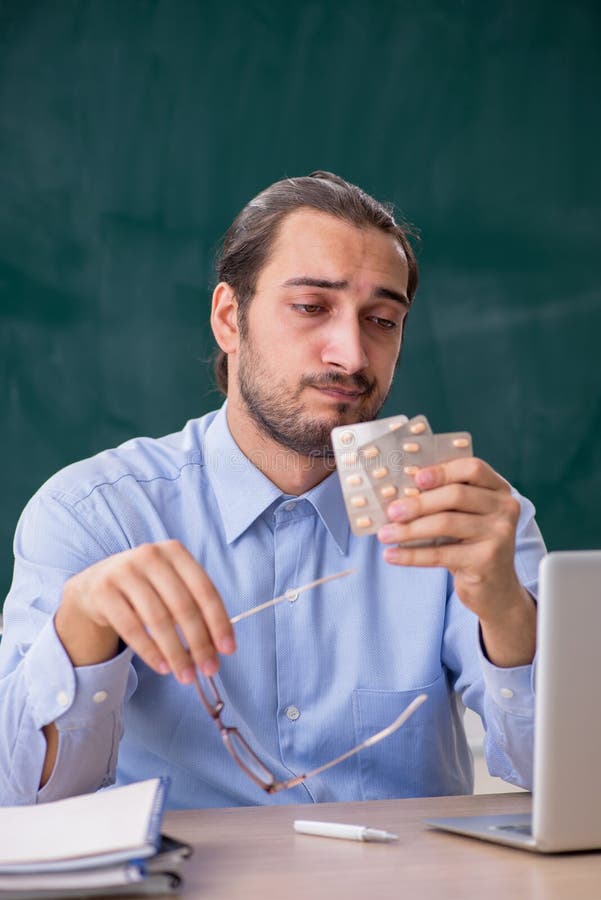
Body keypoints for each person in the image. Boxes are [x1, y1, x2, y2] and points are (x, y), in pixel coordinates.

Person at [0, 172, 544, 808]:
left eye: (382, 320)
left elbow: (573, 780)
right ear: (231, 319)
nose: (352, 354)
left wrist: (508, 611)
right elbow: (17, 803)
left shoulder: (471, 514)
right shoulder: (95, 514)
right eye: (312, 308)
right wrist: (83, 626)